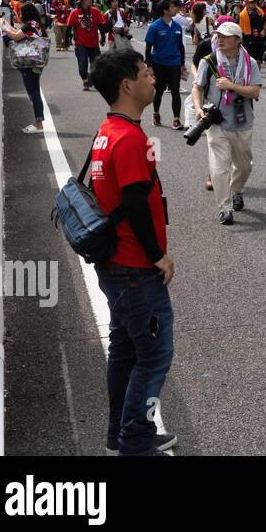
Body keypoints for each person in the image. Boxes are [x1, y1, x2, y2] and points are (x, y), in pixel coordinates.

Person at [87, 49, 177, 456]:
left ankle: (118, 434)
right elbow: (137, 204)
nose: (152, 77)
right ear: (127, 84)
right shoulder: (131, 138)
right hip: (135, 268)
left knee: (125, 349)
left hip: (113, 265)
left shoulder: (108, 130)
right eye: (144, 72)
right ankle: (136, 441)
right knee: (155, 355)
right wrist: (158, 254)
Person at [191, 21, 261, 225]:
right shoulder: (209, 61)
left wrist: (231, 85)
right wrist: (197, 108)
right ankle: (225, 208)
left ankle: (237, 190)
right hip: (216, 121)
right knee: (219, 167)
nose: (219, 39)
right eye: (218, 36)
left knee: (244, 166)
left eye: (225, 36)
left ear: (237, 40)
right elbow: (198, 88)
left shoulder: (251, 63)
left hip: (243, 121)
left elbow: (255, 91)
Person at [1, 3, 49, 134]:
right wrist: (7, 27)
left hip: (30, 64)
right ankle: (37, 122)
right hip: (36, 61)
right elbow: (18, 33)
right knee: (34, 92)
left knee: (33, 93)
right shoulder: (35, 23)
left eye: (21, 13)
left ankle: (38, 124)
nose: (20, 15)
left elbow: (16, 36)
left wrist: (3, 28)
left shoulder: (29, 25)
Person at [145, 0, 188, 130]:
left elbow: (181, 47)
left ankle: (176, 119)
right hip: (159, 64)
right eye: (172, 7)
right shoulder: (154, 26)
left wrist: (182, 64)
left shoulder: (177, 26)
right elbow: (148, 48)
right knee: (159, 91)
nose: (176, 9)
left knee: (175, 90)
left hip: (174, 63)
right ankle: (156, 113)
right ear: (165, 10)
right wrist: (150, 67)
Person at [66, 0, 108, 91]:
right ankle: (85, 79)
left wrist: (103, 37)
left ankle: (90, 78)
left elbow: (100, 25)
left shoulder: (95, 11)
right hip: (81, 43)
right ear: (81, 1)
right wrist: (67, 42)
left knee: (96, 65)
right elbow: (69, 28)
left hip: (94, 43)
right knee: (82, 64)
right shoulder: (75, 13)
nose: (90, 0)